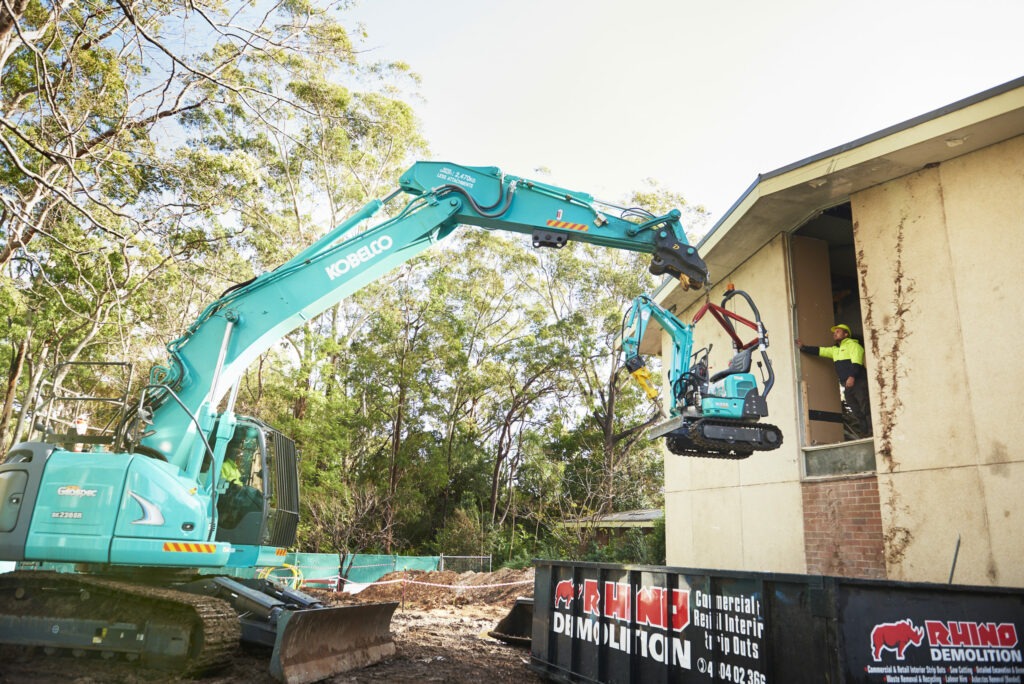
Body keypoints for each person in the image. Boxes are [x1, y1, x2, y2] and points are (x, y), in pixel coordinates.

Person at [797, 324, 872, 438]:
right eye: (834, 332)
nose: (835, 333)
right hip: (847, 385)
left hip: (858, 381)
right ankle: (865, 433)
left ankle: (873, 432)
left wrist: (852, 376)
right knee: (856, 410)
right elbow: (820, 350)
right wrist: (803, 348)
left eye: (838, 331)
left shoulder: (853, 345)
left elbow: (857, 362)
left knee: (865, 406)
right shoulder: (835, 350)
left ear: (846, 334)